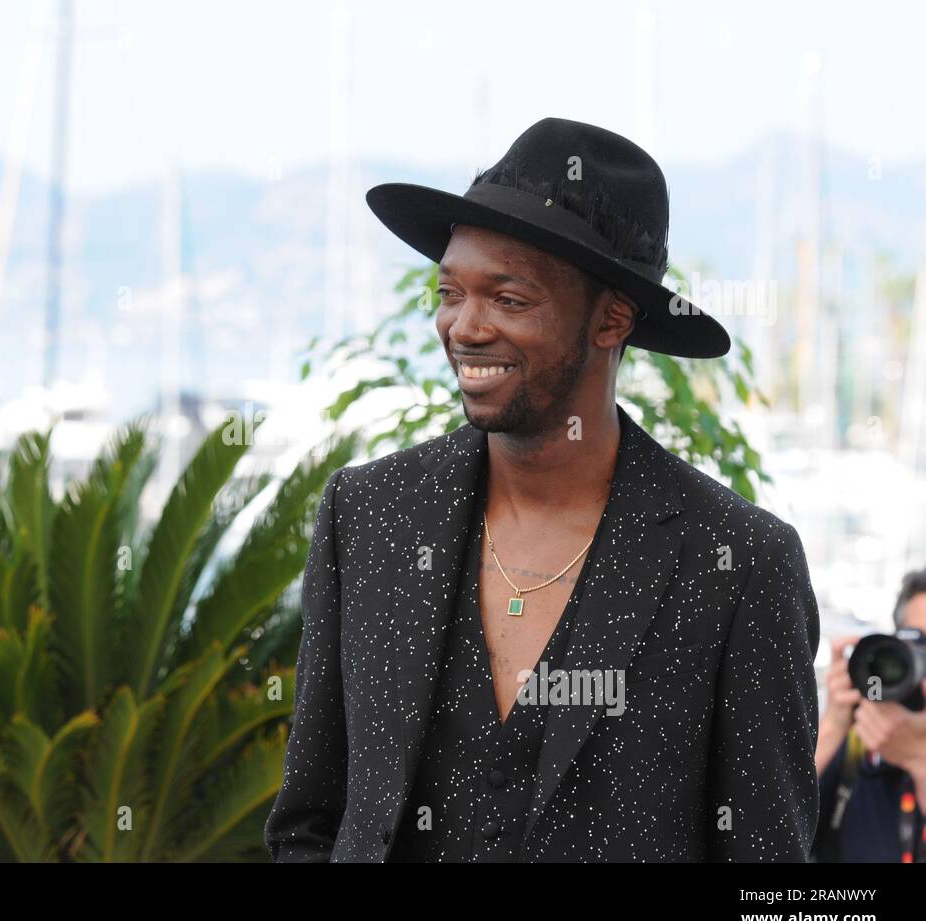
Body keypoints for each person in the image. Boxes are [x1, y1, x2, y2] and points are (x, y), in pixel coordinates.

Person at [263, 117, 822, 862]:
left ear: (611, 318)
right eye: (451, 291)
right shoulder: (367, 515)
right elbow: (308, 823)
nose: (465, 326)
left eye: (509, 299)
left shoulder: (738, 560)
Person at [812, 569, 926, 862]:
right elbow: (768, 836)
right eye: (919, 643)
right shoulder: (859, 742)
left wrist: (919, 760)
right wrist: (833, 726)